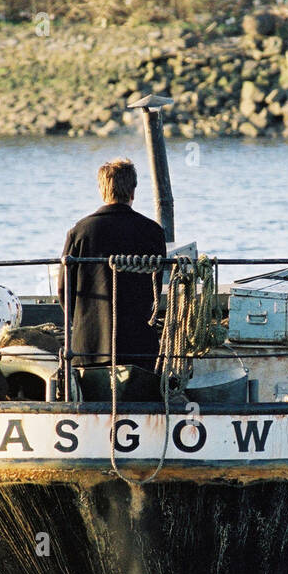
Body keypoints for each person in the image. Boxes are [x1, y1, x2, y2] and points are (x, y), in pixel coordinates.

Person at [59, 159, 167, 398]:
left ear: (102, 190)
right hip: (139, 346)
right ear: (133, 192)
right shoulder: (153, 232)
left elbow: (64, 290)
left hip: (89, 347)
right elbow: (155, 289)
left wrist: (81, 322)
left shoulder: (79, 232)